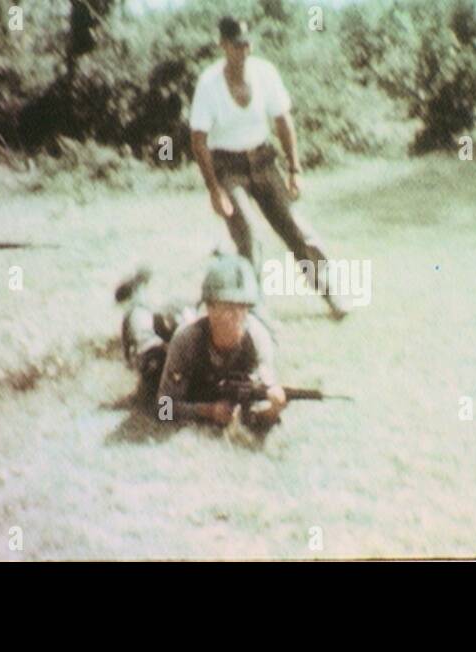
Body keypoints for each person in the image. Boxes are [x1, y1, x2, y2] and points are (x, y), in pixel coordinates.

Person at [189, 16, 348, 320]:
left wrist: (294, 169)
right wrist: (214, 190)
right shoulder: (209, 84)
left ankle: (331, 293)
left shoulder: (266, 73)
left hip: (263, 161)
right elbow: (198, 140)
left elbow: (283, 121)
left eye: (248, 42)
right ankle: (254, 311)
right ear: (223, 45)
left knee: (297, 229)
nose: (245, 49)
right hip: (228, 168)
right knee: (247, 235)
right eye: (237, 44)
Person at [116, 255, 287, 440]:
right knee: (150, 359)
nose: (238, 316)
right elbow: (163, 408)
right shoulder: (187, 340)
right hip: (179, 361)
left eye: (243, 307)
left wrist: (274, 408)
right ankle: (137, 297)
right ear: (210, 308)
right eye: (229, 307)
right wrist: (208, 411)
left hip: (206, 373)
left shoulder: (257, 338)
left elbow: (263, 397)